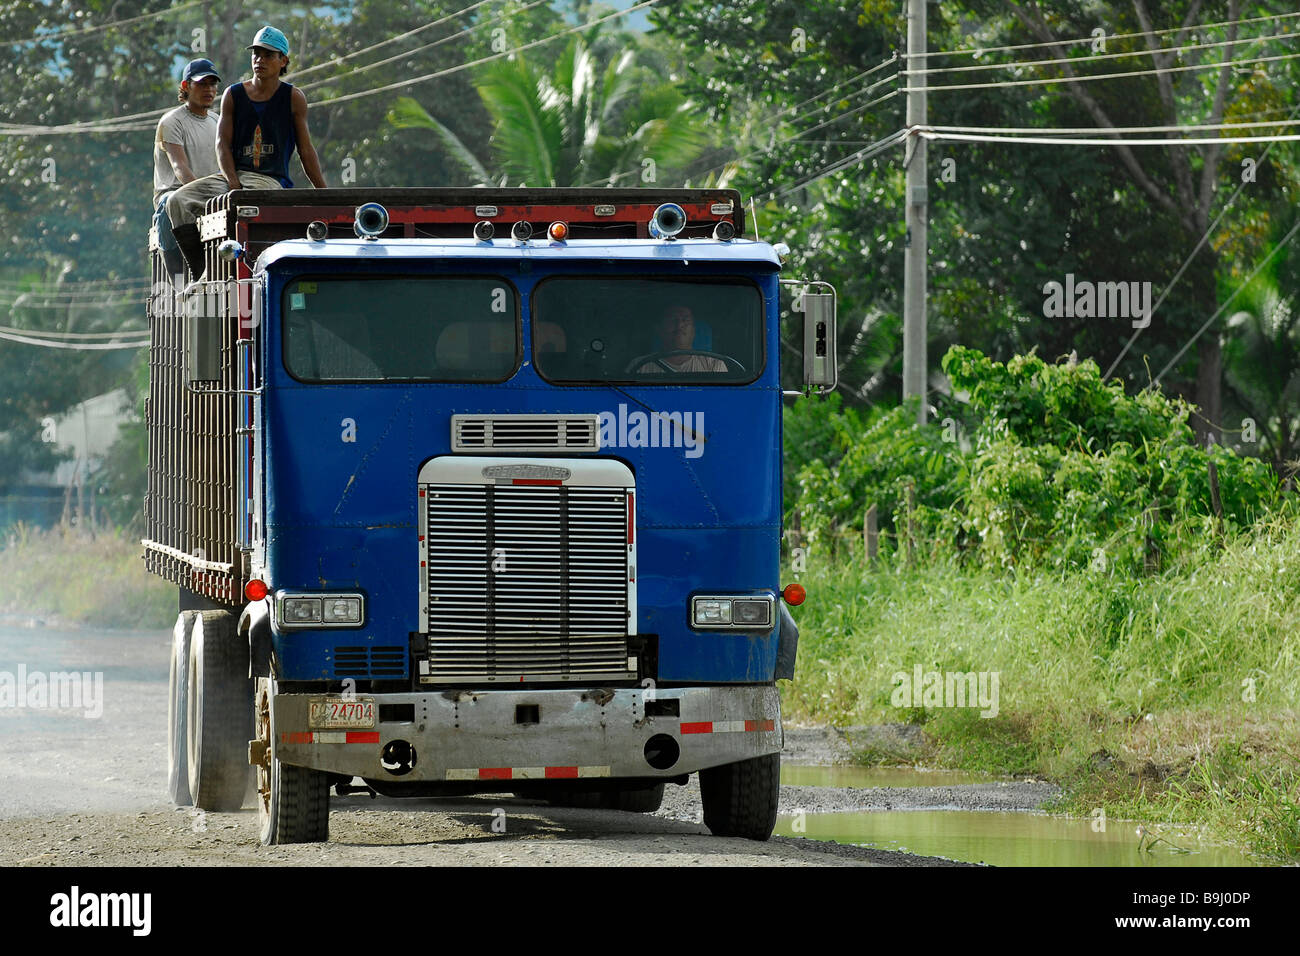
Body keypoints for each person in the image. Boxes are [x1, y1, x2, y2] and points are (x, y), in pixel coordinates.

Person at [167, 26, 328, 279]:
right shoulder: (234, 94)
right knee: (178, 201)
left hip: (268, 181)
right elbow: (222, 143)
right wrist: (232, 182)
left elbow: (306, 149)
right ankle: (201, 272)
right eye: (256, 54)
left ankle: (248, 269)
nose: (259, 60)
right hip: (234, 177)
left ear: (283, 61)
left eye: (267, 55)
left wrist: (323, 193)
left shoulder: (293, 97)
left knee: (246, 211)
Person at [152, 58, 222, 278]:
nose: (208, 89)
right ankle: (178, 278)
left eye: (212, 84)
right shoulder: (172, 121)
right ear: (185, 86)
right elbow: (179, 168)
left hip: (212, 193)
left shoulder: (218, 121)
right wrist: (204, 197)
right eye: (202, 84)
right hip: (178, 192)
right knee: (169, 202)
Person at [637, 305, 726, 373]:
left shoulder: (714, 365)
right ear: (658, 329)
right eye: (672, 319)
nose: (679, 325)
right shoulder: (640, 366)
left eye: (685, 320)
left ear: (693, 331)